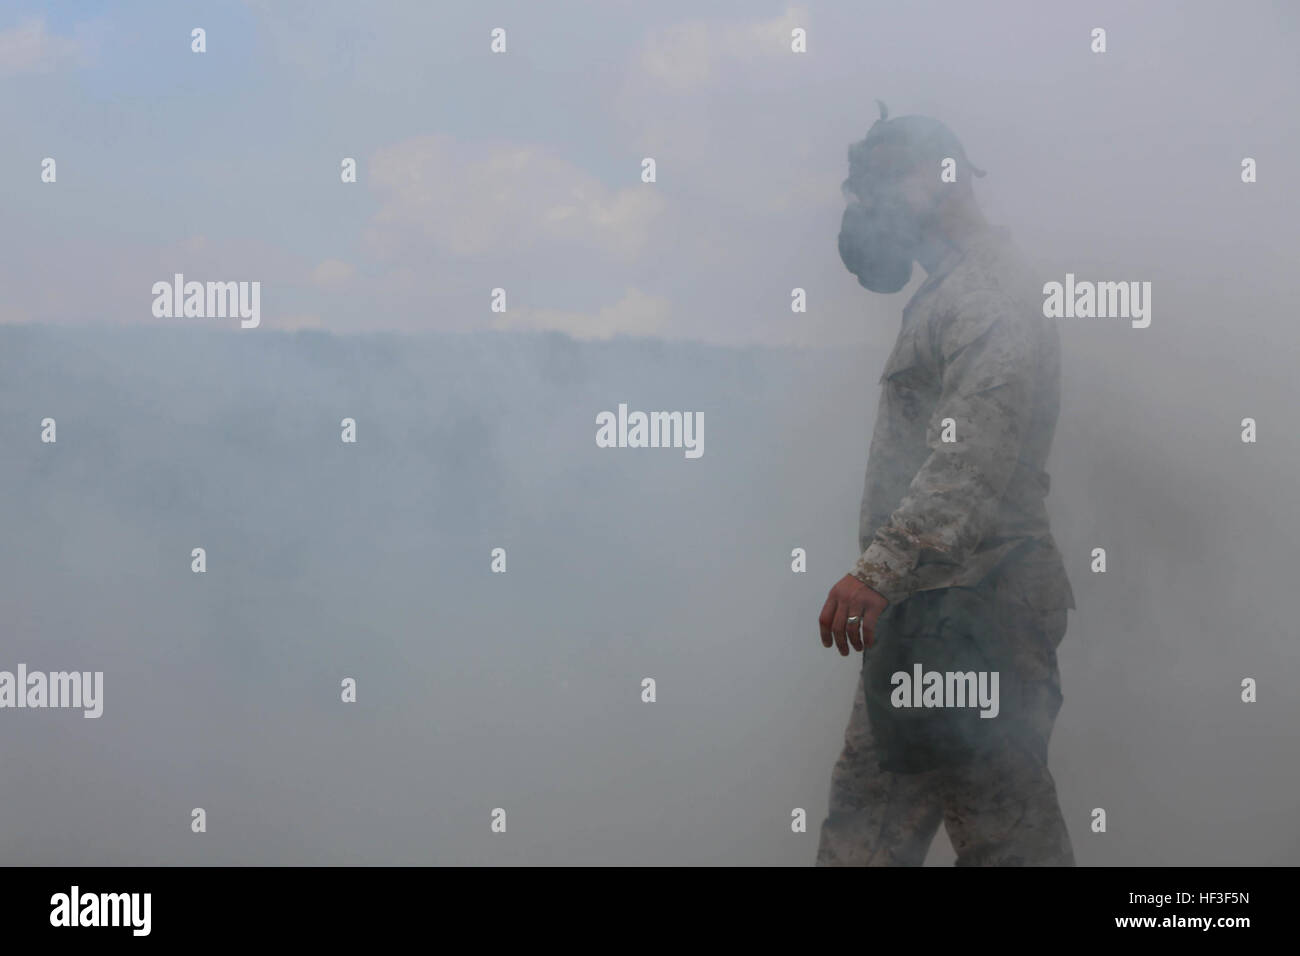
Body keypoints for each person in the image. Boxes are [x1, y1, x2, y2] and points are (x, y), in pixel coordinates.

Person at [815, 103, 1077, 866]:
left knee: (1002, 837)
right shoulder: (952, 291)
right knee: (868, 832)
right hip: (931, 611)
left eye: (881, 187)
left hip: (978, 608)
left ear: (939, 176)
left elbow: (975, 451)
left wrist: (880, 567)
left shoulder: (989, 293)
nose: (874, 209)